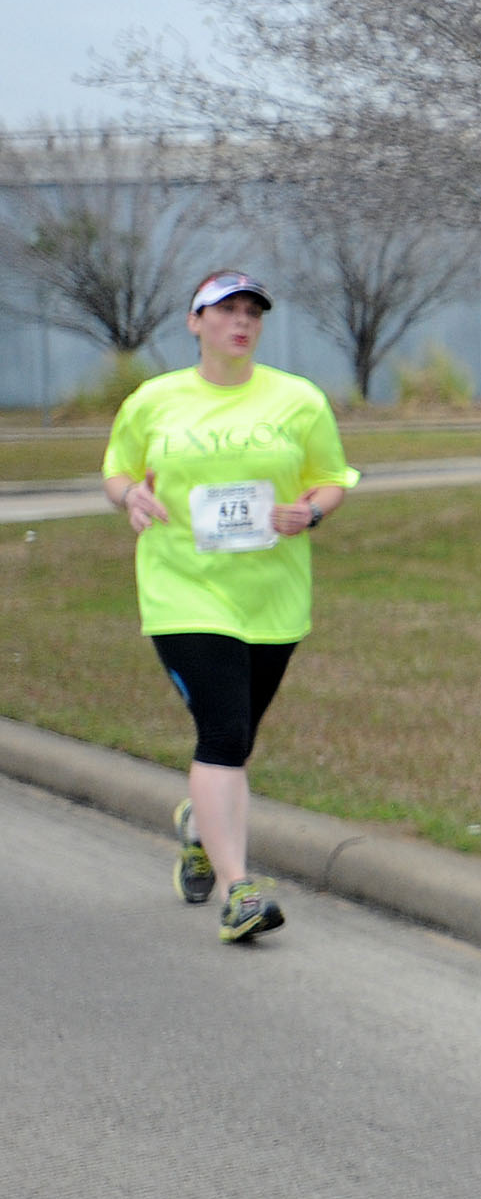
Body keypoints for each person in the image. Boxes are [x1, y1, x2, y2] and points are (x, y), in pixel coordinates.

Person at [101, 269, 358, 942]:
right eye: (225, 309)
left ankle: (199, 826)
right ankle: (238, 891)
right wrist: (130, 496)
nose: (241, 321)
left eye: (252, 311)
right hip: (182, 590)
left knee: (234, 741)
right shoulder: (154, 400)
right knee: (223, 735)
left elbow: (331, 480)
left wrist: (310, 512)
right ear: (196, 322)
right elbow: (118, 469)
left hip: (272, 597)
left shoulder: (298, 400)